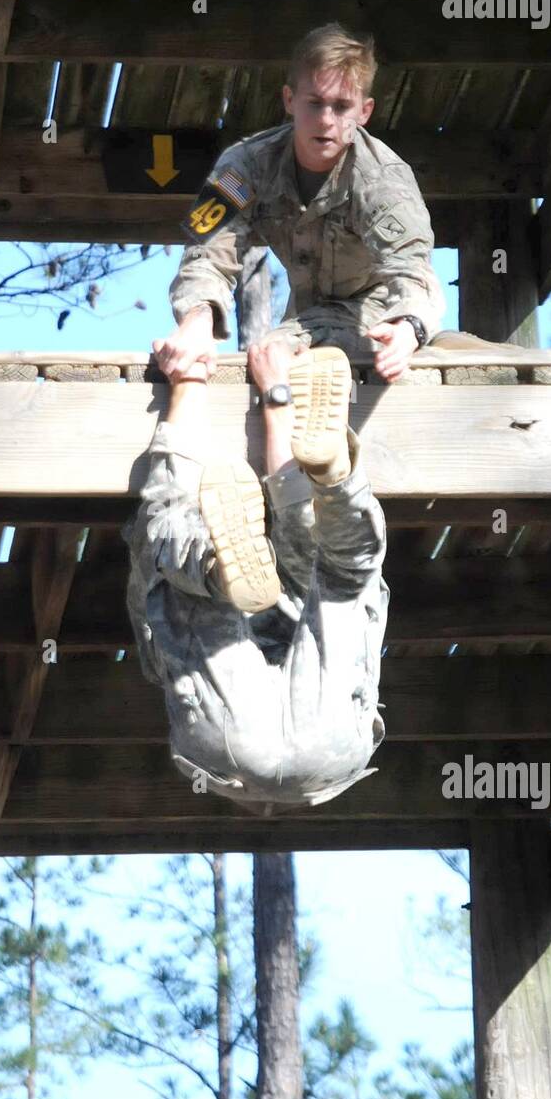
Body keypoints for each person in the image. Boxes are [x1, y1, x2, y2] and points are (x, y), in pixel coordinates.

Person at [156, 20, 509, 384]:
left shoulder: (383, 180)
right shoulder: (243, 164)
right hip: (306, 312)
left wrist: (408, 327)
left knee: (275, 354)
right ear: (289, 100)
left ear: (365, 112)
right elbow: (205, 250)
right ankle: (445, 343)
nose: (326, 121)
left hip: (379, 315)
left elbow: (412, 269)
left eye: (341, 107)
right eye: (315, 103)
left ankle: (444, 346)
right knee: (267, 357)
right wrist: (197, 321)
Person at [121, 340, 389, 817]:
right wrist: (188, 380)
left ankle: (336, 482)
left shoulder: (287, 574)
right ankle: (213, 569)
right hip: (229, 745)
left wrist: (276, 393)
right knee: (173, 532)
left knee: (342, 576)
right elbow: (172, 499)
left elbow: (293, 513)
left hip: (329, 745)